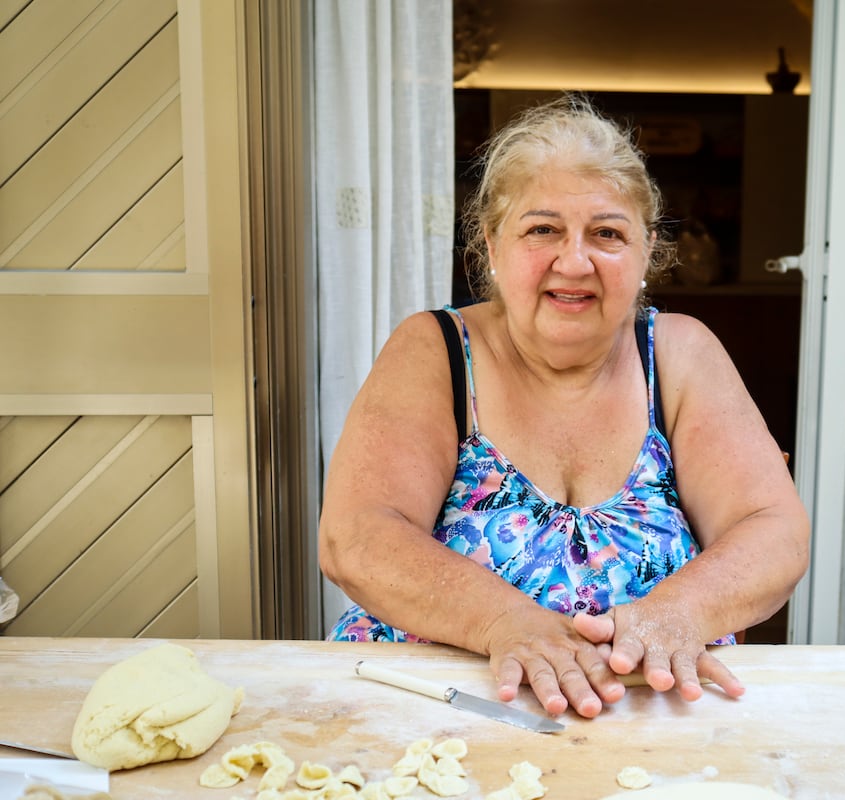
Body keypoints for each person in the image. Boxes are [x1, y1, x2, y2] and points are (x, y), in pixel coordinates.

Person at [319, 94, 810, 720]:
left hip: (656, 720)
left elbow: (774, 530)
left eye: (607, 233)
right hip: (439, 715)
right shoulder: (436, 351)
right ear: (493, 245)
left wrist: (671, 616)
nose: (574, 262)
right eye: (542, 229)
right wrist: (508, 623)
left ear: (646, 253)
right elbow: (357, 537)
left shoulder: (681, 353)